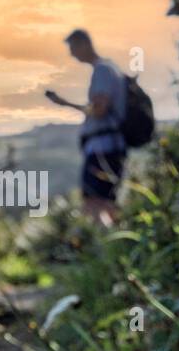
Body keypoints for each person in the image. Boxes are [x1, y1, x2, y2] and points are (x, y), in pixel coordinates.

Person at [45, 30, 127, 226]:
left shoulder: (103, 70)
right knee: (107, 202)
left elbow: (99, 109)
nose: (72, 54)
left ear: (84, 44)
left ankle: (102, 246)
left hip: (103, 148)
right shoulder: (109, 68)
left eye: (72, 48)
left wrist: (65, 103)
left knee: (93, 202)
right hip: (110, 146)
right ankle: (115, 244)